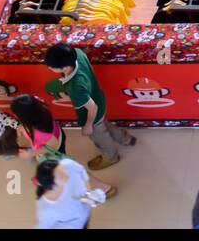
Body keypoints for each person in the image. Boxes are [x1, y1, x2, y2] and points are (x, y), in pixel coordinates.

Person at [43, 42, 136, 171]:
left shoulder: (76, 87)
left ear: (64, 68)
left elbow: (92, 108)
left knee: (100, 136)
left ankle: (111, 157)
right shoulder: (77, 54)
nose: (49, 68)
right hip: (98, 97)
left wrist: (87, 126)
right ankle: (126, 139)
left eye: (51, 67)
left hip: (92, 112)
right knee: (105, 124)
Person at [34, 157, 96, 229]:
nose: (66, 173)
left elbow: (81, 170)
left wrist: (88, 191)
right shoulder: (46, 209)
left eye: (62, 169)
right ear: (52, 184)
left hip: (84, 217)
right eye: (60, 174)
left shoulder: (67, 164)